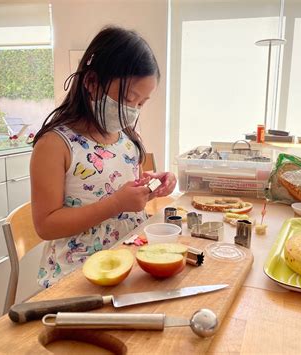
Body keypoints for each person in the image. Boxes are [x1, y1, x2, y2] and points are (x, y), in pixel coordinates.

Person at [30, 26, 176, 288]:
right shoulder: (54, 145)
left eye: (141, 103)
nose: (133, 110)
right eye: (129, 98)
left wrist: (152, 185)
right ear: (91, 82)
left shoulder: (127, 136)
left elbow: (121, 185)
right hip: (77, 272)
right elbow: (46, 225)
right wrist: (116, 203)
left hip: (128, 256)